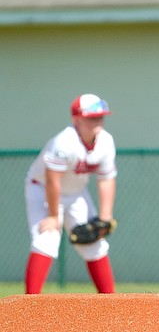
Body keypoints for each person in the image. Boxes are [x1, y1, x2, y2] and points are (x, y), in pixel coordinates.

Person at [24, 94, 118, 294]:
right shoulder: (64, 142)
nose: (98, 121)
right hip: (42, 189)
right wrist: (52, 216)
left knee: (94, 243)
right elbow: (52, 181)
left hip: (75, 192)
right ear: (77, 120)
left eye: (100, 117)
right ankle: (29, 304)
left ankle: (111, 302)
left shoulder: (106, 141)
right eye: (92, 117)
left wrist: (105, 216)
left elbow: (106, 179)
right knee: (46, 240)